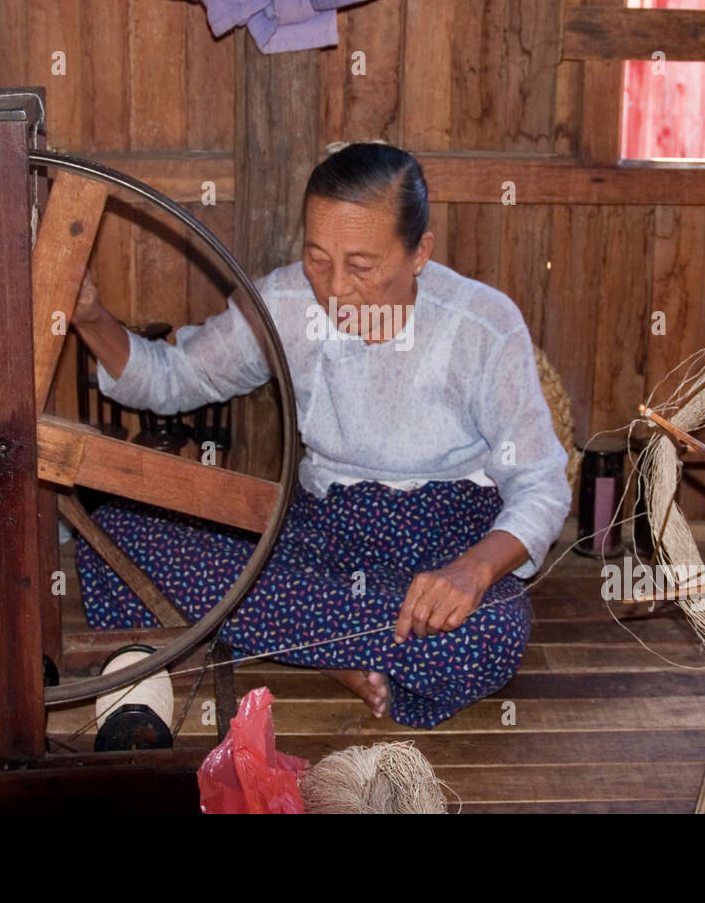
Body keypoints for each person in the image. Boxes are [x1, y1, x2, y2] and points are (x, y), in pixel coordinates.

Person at [71, 142, 571, 728]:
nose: (334, 288)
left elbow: (541, 484)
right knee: (110, 534)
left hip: (446, 536)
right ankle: (344, 653)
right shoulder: (285, 303)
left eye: (362, 266)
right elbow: (175, 377)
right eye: (316, 258)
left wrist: (474, 571)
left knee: (490, 635)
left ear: (419, 255)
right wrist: (88, 316)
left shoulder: (481, 326)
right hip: (324, 532)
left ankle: (312, 641)